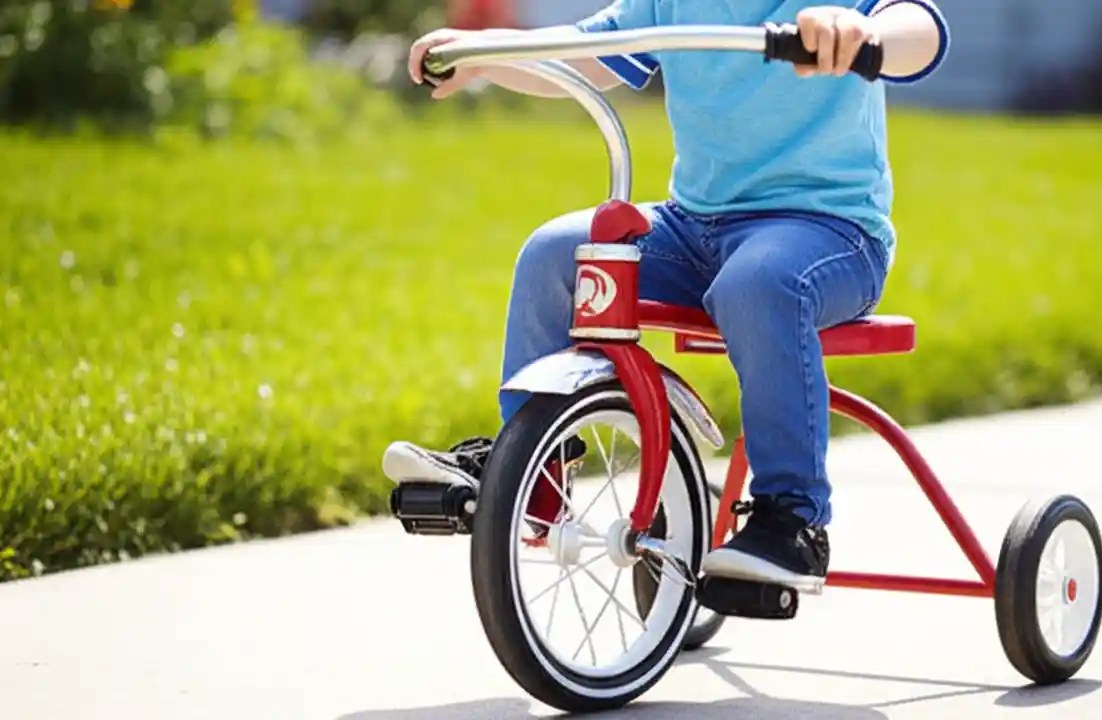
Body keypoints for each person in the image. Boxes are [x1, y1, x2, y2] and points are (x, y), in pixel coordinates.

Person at [384, 1, 949, 588]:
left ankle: (792, 520)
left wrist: (866, 34)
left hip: (827, 232)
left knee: (758, 284)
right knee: (557, 254)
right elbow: (588, 52)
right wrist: (487, 56)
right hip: (695, 227)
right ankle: (528, 470)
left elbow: (921, 29)